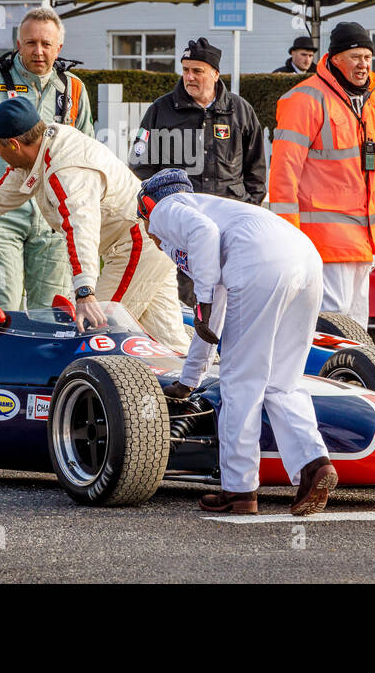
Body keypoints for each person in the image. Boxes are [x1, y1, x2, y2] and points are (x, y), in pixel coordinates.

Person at [0, 99, 190, 352]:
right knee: (169, 343)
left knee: (97, 337)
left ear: (12, 143)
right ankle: (195, 400)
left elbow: (80, 227)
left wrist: (84, 293)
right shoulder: (44, 150)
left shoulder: (65, 168)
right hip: (144, 244)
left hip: (134, 245)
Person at [139, 170, 337, 516]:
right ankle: (314, 464)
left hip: (261, 261)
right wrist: (189, 382)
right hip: (304, 257)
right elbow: (210, 321)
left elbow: (203, 239)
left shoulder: (166, 207)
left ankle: (239, 491)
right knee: (282, 381)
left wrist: (201, 301)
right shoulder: (217, 212)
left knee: (240, 383)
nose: (149, 236)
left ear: (147, 206)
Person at [0, 6, 94, 311]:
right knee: (2, 307)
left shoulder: (74, 90)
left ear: (58, 47)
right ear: (17, 44)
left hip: (53, 219)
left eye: (46, 44)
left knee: (52, 313)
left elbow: (84, 157)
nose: (38, 51)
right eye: (30, 43)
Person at [269, 21, 375, 325]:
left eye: (367, 57)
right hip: (324, 243)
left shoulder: (368, 102)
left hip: (363, 240)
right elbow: (284, 172)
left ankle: (348, 375)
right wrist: (288, 235)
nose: (364, 64)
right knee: (330, 324)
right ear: (335, 59)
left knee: (357, 325)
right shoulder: (305, 99)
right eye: (356, 57)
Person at [130, 37, 266, 303]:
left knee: (232, 297)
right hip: (181, 228)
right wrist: (162, 214)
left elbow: (256, 170)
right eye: (185, 70)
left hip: (230, 226)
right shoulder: (161, 110)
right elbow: (140, 166)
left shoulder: (240, 111)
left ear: (215, 74)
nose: (189, 77)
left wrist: (248, 208)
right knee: (185, 302)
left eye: (197, 71)